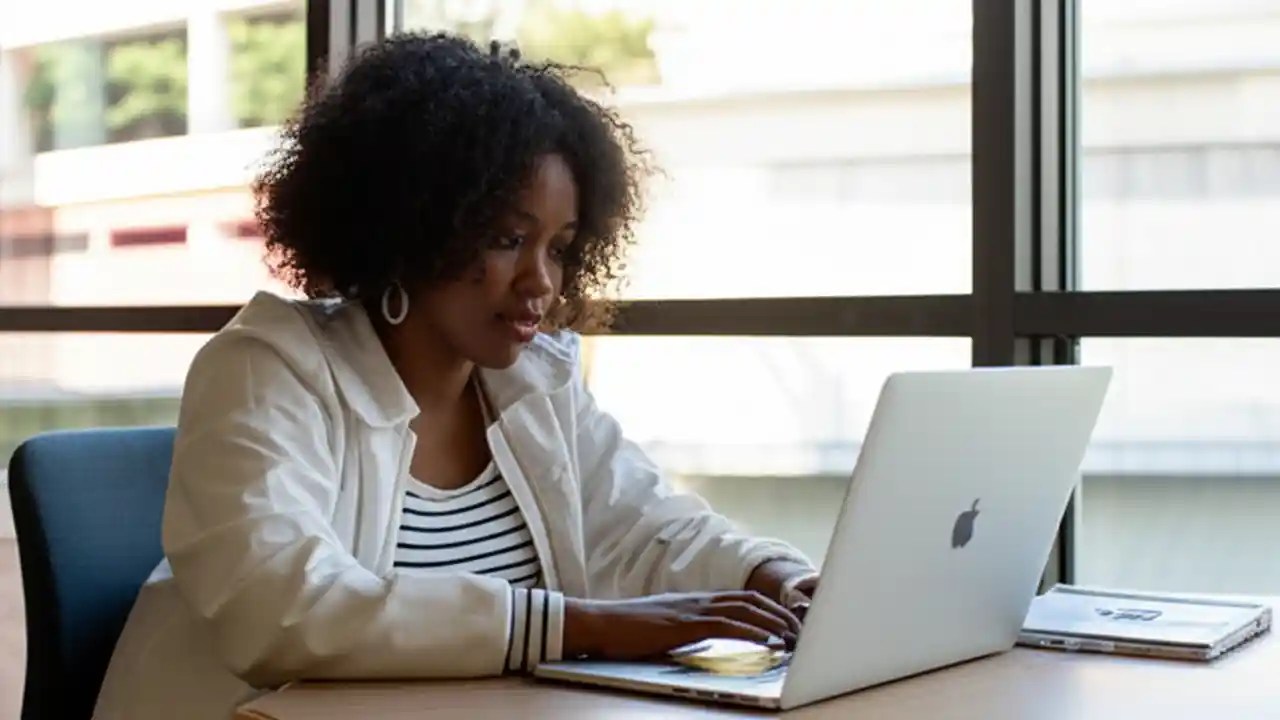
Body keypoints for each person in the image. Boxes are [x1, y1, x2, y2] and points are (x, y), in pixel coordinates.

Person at [93, 32, 818, 720]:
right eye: (507, 239)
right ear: (411, 229)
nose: (541, 282)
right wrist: (588, 625)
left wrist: (776, 577)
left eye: (559, 248)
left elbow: (645, 528)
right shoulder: (266, 370)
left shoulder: (535, 382)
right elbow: (283, 608)